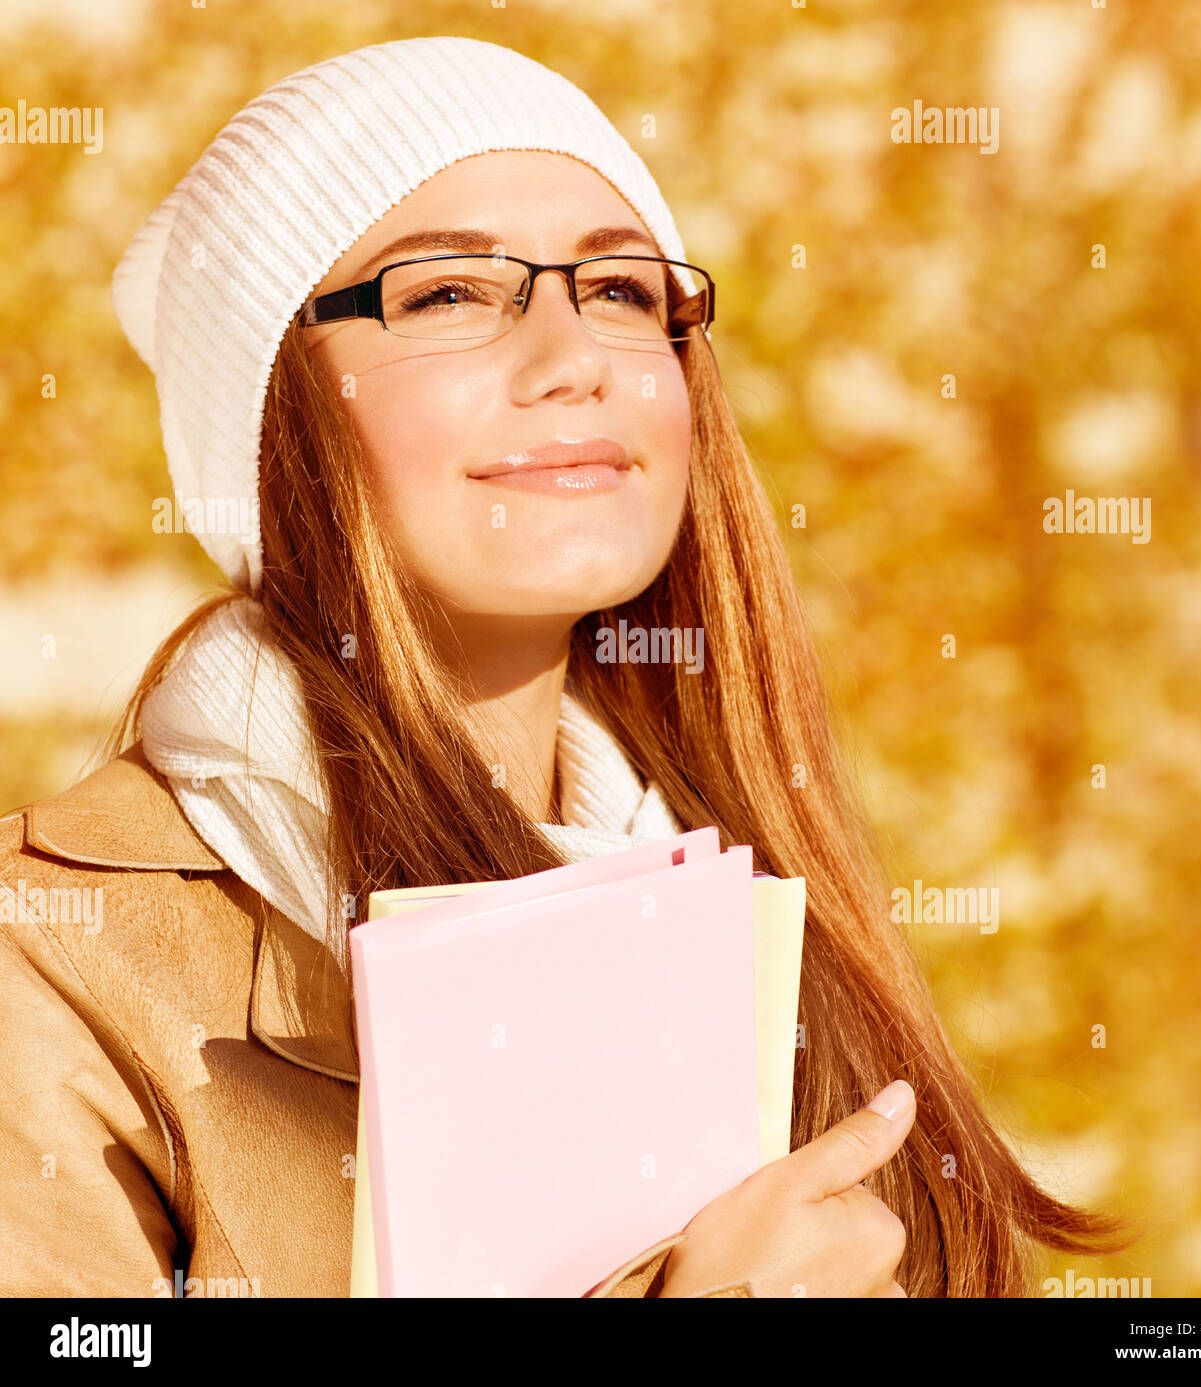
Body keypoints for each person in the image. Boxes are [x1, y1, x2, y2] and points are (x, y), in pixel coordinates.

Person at [0, 35, 1133, 1298]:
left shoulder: (774, 918)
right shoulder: (48, 957)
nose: (573, 357)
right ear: (266, 416)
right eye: (447, 296)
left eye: (620, 292)